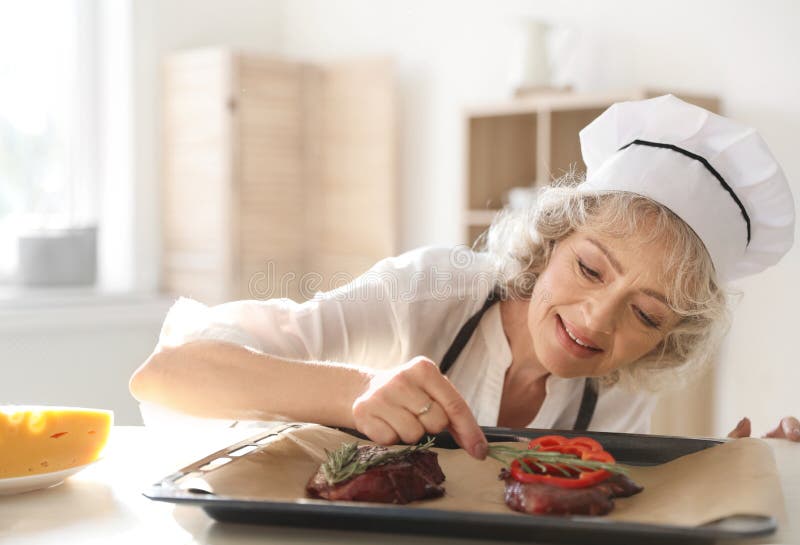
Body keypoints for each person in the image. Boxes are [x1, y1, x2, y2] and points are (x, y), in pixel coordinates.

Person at [129, 95, 800, 459]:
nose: (598, 320)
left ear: (671, 339)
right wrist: (352, 391)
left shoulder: (616, 396)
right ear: (551, 239)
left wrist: (731, 474)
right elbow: (168, 375)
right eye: (590, 267)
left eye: (647, 315)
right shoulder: (427, 291)